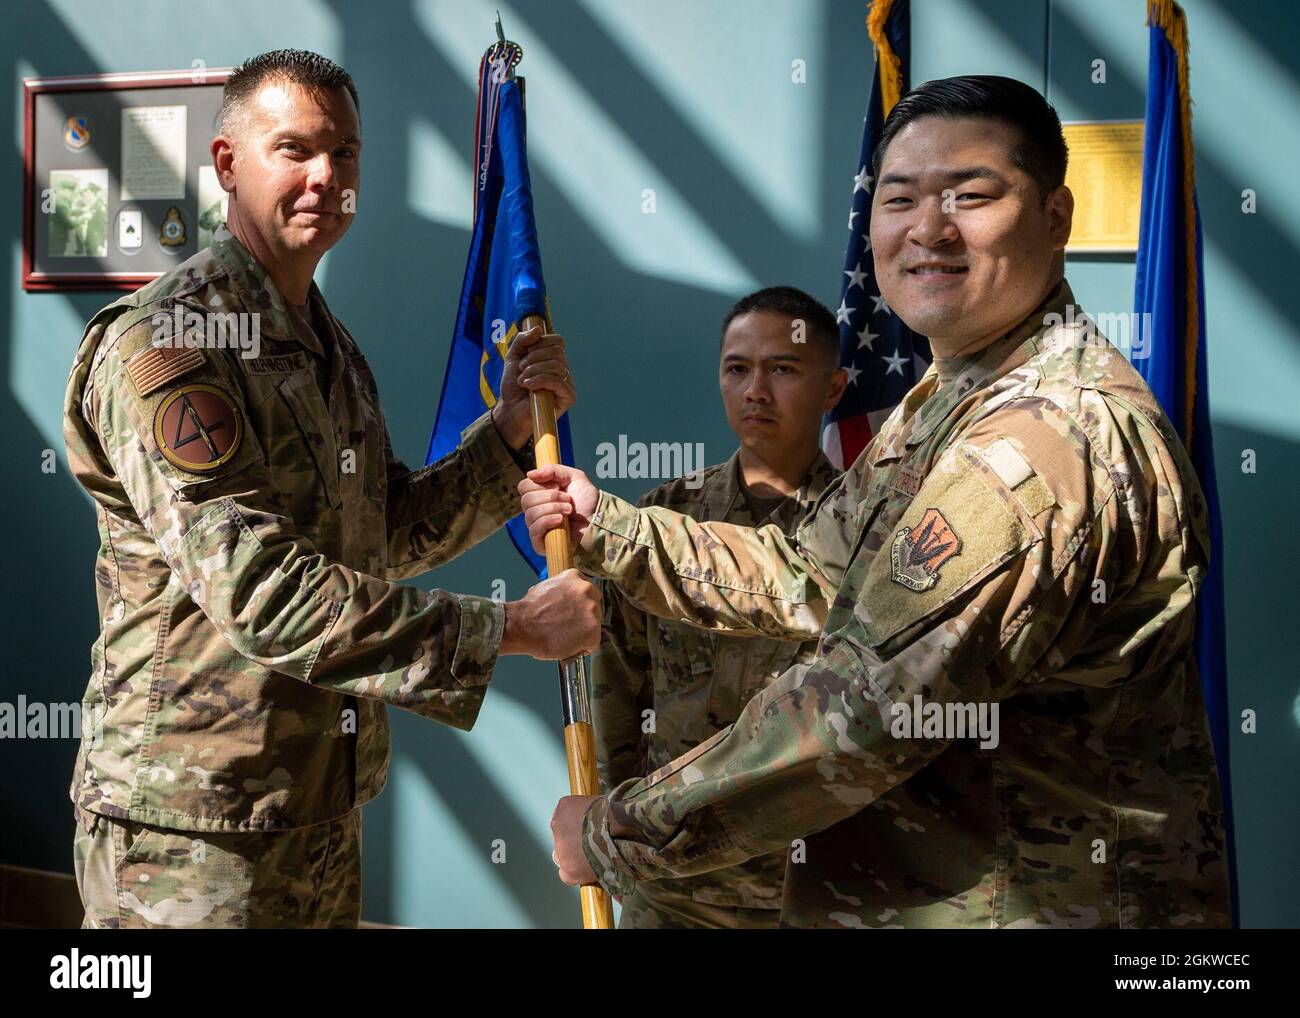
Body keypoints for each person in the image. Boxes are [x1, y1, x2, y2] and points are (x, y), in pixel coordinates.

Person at [523, 75, 1231, 929]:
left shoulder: (1040, 445)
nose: (928, 230)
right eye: (899, 199)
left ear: (1055, 216)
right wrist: (612, 527)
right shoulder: (951, 398)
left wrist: (615, 830)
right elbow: (806, 569)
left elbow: (860, 710)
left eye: (971, 195)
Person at [63, 49, 600, 929]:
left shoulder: (329, 347)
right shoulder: (167, 346)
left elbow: (381, 534)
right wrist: (510, 630)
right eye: (294, 149)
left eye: (344, 154)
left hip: (314, 800)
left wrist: (505, 438)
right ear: (229, 163)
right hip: (189, 828)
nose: (324, 177)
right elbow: (261, 590)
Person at [595, 286, 844, 929]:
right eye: (738, 369)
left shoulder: (867, 531)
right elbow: (617, 689)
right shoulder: (664, 519)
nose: (755, 390)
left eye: (782, 369)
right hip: (671, 876)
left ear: (835, 389)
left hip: (812, 884)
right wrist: (611, 831)